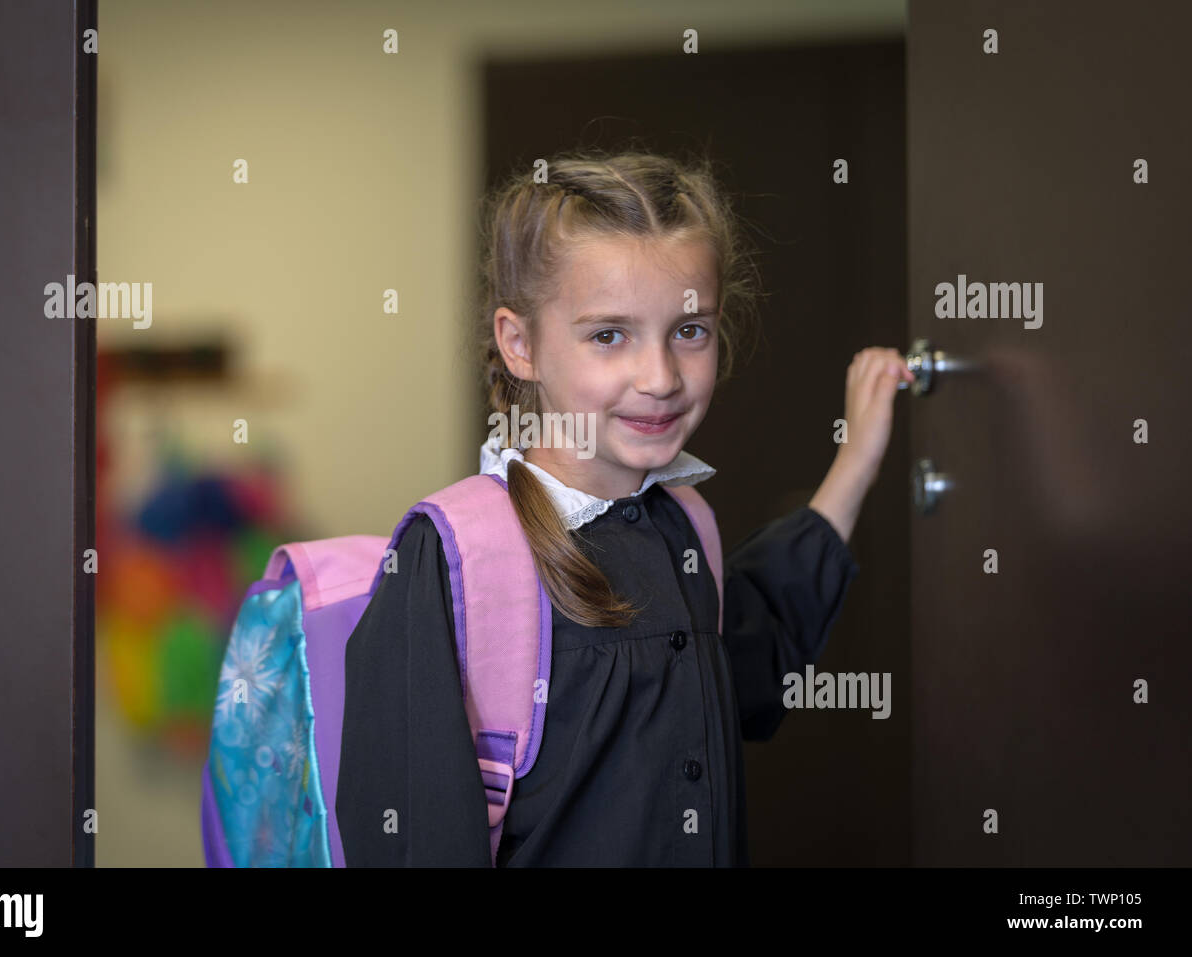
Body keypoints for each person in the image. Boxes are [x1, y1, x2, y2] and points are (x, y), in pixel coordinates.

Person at [336, 149, 913, 866]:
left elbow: (751, 673)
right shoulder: (453, 554)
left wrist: (856, 460)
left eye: (690, 330)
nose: (661, 376)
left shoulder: (684, 525)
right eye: (609, 335)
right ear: (520, 345)